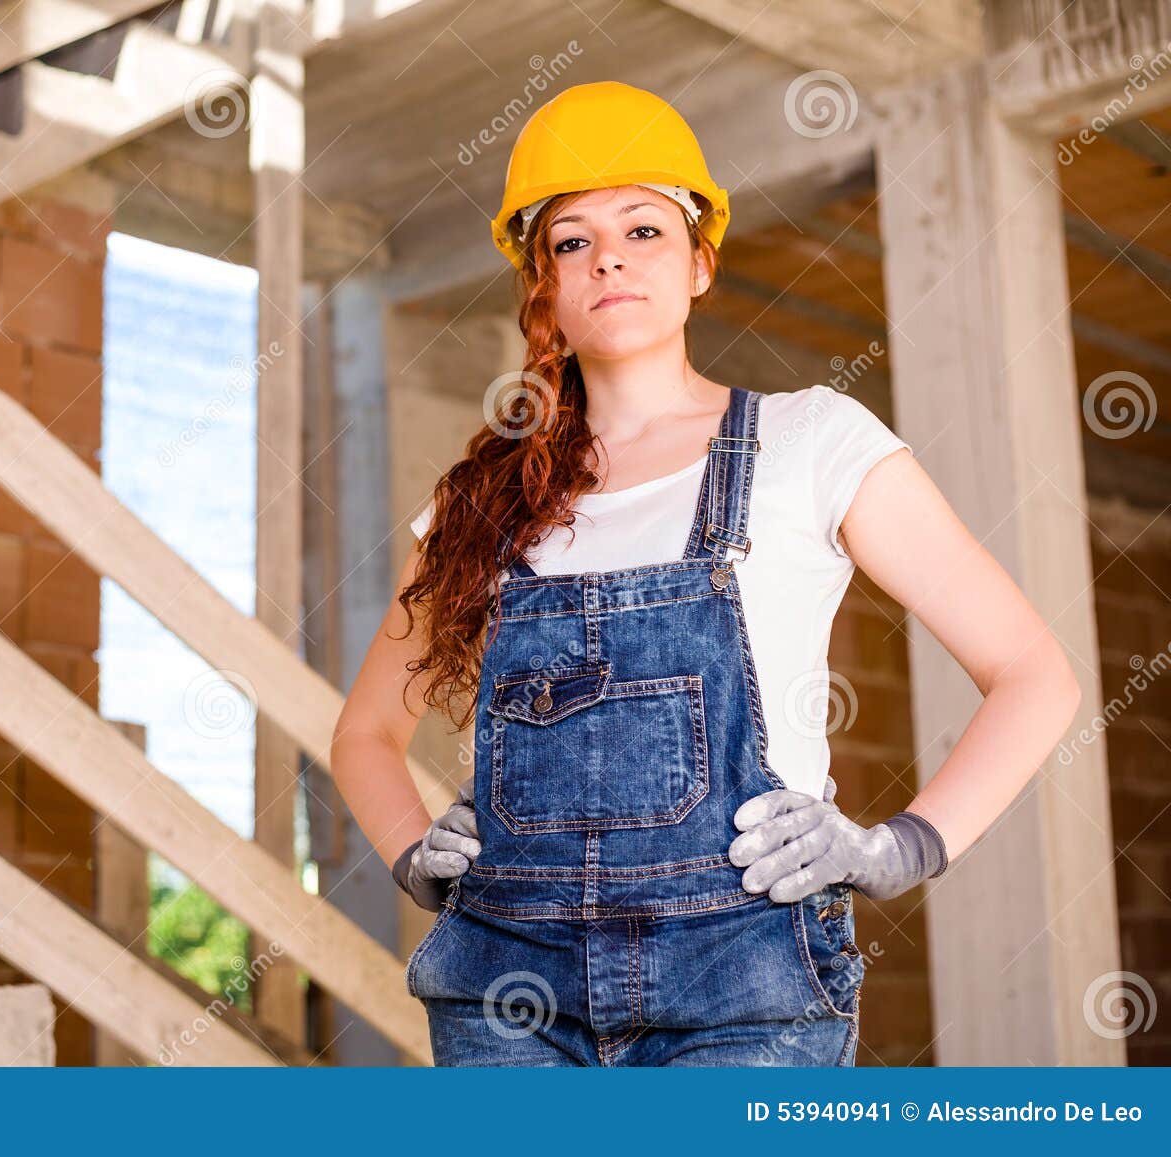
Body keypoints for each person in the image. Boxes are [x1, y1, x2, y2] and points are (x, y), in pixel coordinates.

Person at [328, 82, 1082, 1066]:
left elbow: (1036, 674)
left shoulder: (809, 440)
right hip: (505, 981)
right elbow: (364, 733)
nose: (607, 256)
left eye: (643, 227)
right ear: (542, 284)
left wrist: (894, 849)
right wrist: (415, 856)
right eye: (570, 239)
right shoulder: (482, 499)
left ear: (699, 263)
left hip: (745, 976)